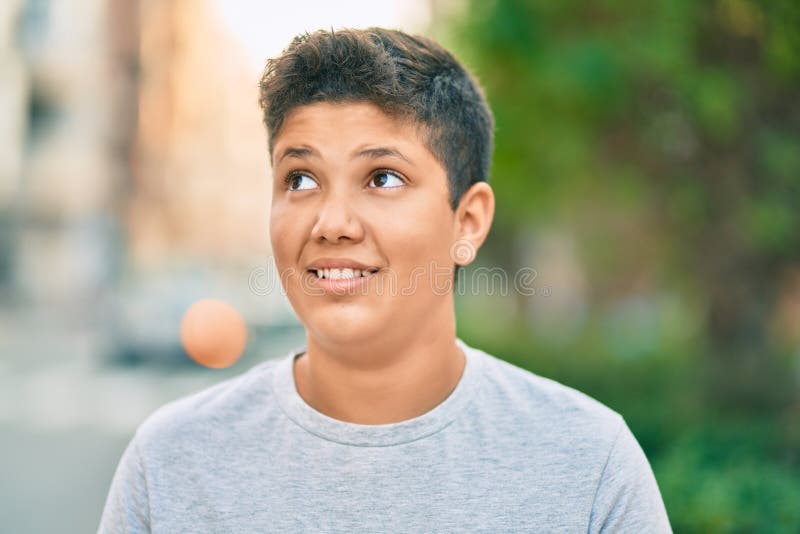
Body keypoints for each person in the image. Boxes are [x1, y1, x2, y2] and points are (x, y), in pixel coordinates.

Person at [99, 27, 672, 533]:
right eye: (299, 180)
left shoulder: (587, 464)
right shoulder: (172, 463)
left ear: (467, 221)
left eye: (383, 178)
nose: (332, 224)